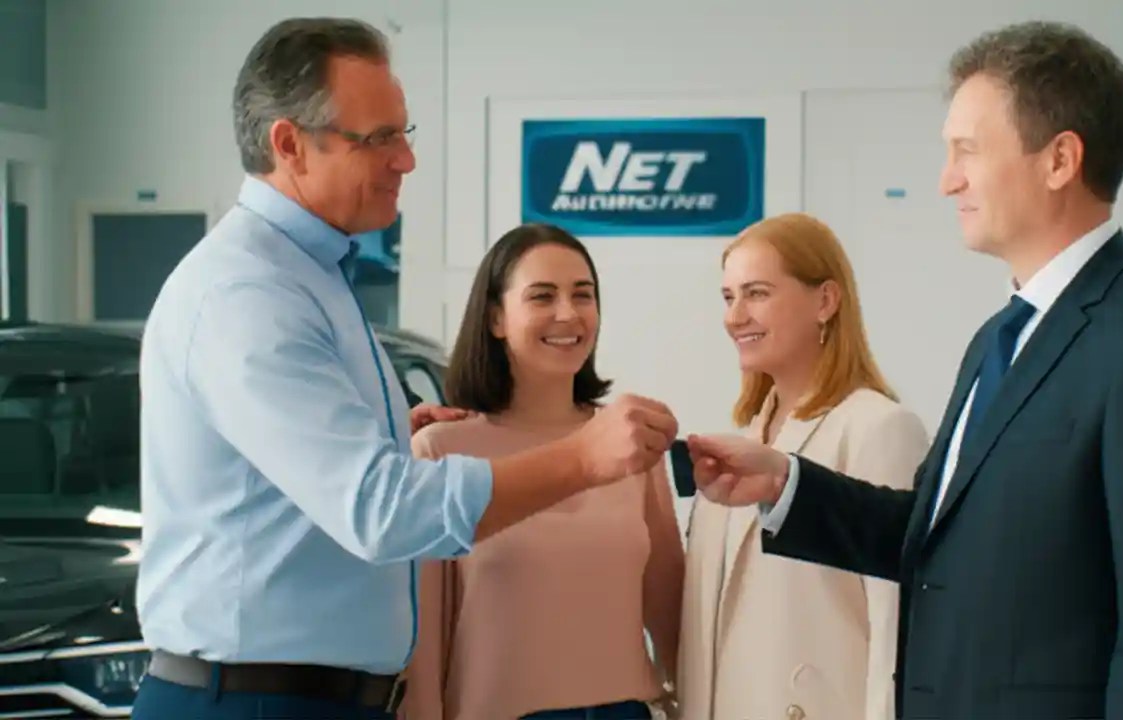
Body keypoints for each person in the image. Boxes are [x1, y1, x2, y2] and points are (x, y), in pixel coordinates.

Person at [685, 21, 1123, 720]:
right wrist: (783, 481)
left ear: (1060, 159)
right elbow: (933, 538)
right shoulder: (997, 340)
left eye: (967, 151)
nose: (947, 179)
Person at [133, 18, 676, 720]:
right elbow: (381, 512)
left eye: (404, 133)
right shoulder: (249, 293)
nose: (406, 161)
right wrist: (583, 458)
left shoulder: (310, 276)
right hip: (256, 703)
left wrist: (389, 437)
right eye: (378, 138)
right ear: (289, 144)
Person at [398, 223, 684, 720]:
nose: (568, 313)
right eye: (542, 296)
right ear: (496, 318)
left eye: (583, 295)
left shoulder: (630, 441)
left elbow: (672, 611)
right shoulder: (442, 450)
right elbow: (422, 646)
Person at [678, 213, 928, 720]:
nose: (735, 316)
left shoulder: (880, 429)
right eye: (728, 297)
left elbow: (895, 632)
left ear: (825, 301)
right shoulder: (739, 448)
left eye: (757, 293)